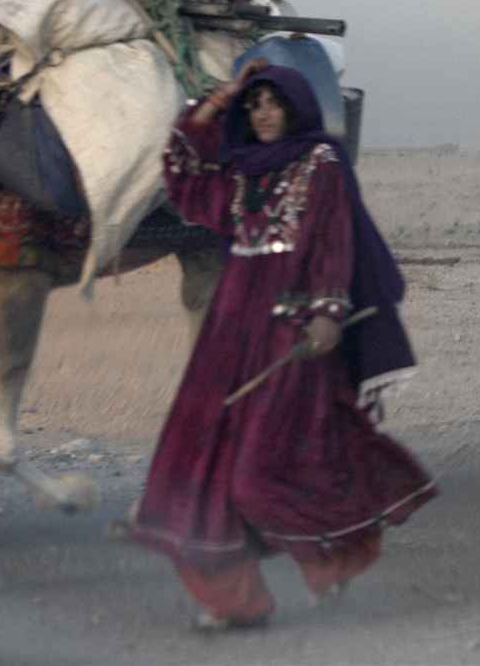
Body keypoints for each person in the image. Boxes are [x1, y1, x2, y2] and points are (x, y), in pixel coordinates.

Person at [128, 58, 436, 631]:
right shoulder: (240, 176)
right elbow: (180, 169)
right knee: (202, 467)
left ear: (295, 107)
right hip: (228, 335)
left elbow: (333, 240)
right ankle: (234, 601)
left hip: (290, 336)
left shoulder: (319, 165)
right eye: (256, 105)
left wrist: (325, 311)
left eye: (272, 103)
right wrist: (218, 102)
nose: (263, 114)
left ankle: (337, 551)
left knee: (264, 468)